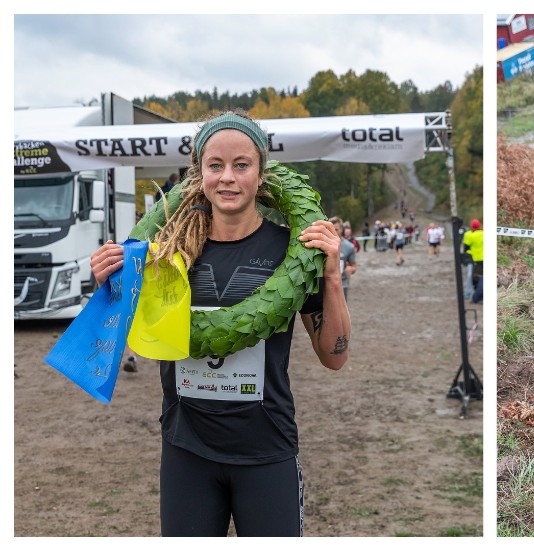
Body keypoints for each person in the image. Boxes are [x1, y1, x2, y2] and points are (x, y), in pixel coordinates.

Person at [88, 111, 351, 536]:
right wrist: (110, 287)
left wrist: (333, 276)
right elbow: (129, 340)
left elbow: (334, 356)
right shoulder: (163, 253)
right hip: (186, 450)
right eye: (216, 165)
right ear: (200, 173)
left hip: (266, 450)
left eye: (241, 165)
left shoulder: (293, 251)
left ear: (261, 175)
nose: (228, 177)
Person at [330, 216, 357, 300]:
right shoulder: (321, 245)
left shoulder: (349, 247)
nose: (333, 232)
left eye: (336, 229)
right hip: (325, 285)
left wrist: (351, 269)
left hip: (341, 285)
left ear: (341, 229)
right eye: (331, 229)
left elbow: (354, 266)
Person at [463, 219, 484, 299]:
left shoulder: (468, 235)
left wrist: (465, 258)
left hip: (472, 259)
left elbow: (466, 248)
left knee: (470, 276)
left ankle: (468, 294)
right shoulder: (483, 233)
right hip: (482, 259)